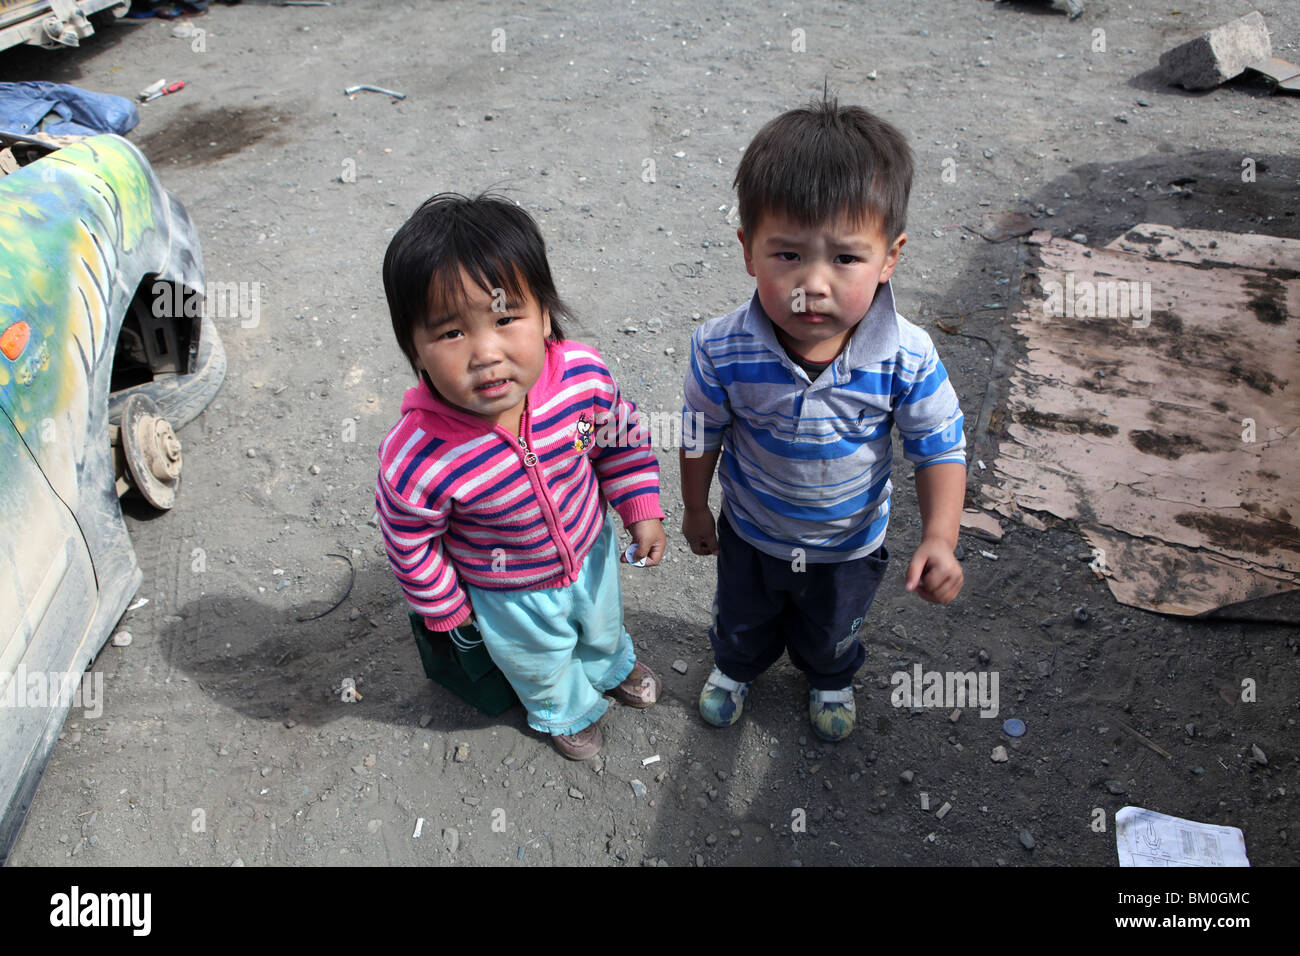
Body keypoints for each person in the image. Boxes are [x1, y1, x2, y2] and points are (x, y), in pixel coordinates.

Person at [680, 96, 968, 742]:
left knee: (833, 630)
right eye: (787, 255)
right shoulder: (720, 348)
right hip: (752, 533)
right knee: (740, 619)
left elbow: (939, 446)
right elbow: (701, 432)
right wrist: (695, 508)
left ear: (889, 257)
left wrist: (940, 537)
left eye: (844, 258)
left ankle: (830, 676)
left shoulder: (907, 355)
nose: (813, 284)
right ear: (748, 249)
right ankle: (735, 667)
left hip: (848, 547)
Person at [377, 192, 667, 760]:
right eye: (451, 333)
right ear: (414, 349)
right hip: (507, 588)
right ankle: (564, 707)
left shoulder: (581, 381)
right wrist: (445, 606)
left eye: (506, 318)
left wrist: (641, 510)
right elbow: (410, 540)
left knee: (603, 623)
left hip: (591, 551)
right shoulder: (418, 454)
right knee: (538, 660)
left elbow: (615, 442)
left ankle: (610, 666)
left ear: (545, 315)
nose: (486, 352)